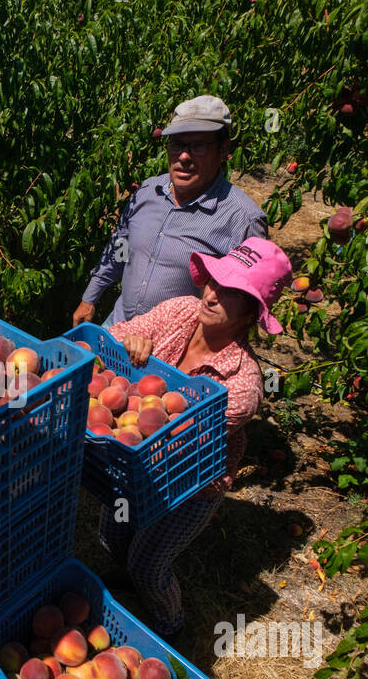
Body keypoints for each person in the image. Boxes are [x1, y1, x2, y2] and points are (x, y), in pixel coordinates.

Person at [98, 237, 293, 641]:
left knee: (150, 564)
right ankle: (124, 580)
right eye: (216, 280)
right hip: (134, 462)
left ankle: (171, 626)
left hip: (193, 485)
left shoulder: (242, 384)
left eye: (233, 292)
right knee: (113, 534)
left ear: (251, 313)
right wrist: (128, 341)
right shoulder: (180, 311)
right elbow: (113, 337)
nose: (213, 294)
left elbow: (176, 438)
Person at [72, 95, 268, 329]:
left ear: (223, 148)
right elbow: (121, 247)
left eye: (198, 146)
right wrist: (91, 297)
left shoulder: (242, 219)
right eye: (177, 144)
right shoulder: (148, 191)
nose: (184, 156)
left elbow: (244, 307)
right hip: (117, 326)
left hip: (172, 351)